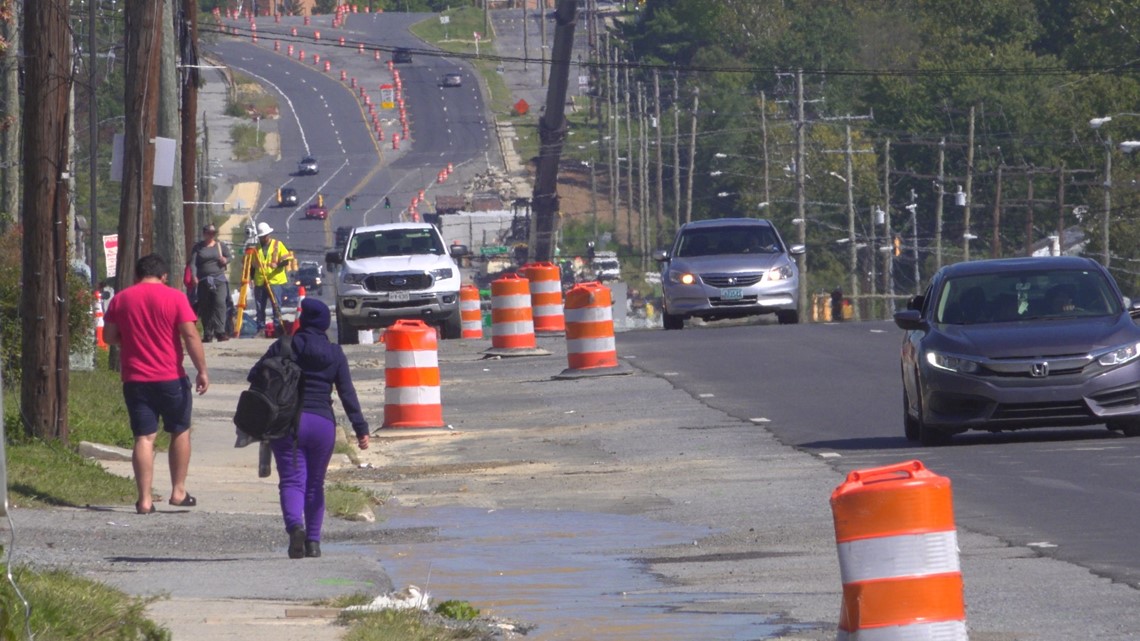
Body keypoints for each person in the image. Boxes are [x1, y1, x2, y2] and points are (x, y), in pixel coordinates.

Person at [250, 298, 370, 558]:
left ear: (302, 320)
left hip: (287, 423)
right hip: (322, 424)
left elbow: (255, 376)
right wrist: (361, 429)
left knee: (293, 481)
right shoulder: (335, 353)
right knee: (315, 484)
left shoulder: (283, 345)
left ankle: (295, 527)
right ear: (326, 325)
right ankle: (313, 543)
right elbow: (347, 394)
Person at [103, 254, 209, 515]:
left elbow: (109, 336)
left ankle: (145, 500)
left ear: (136, 276)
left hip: (135, 378)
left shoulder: (121, 299)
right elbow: (190, 334)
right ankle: (178, 491)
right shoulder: (175, 297)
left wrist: (133, 338)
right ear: (164, 276)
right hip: (170, 376)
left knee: (144, 437)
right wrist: (202, 371)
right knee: (180, 430)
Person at [189, 223, 233, 342]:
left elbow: (229, 257)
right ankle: (208, 333)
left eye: (213, 233)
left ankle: (220, 331)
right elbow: (193, 264)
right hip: (203, 281)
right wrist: (194, 276)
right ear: (204, 234)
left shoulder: (220, 245)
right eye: (209, 233)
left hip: (219, 279)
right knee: (205, 306)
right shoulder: (198, 248)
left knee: (220, 304)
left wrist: (225, 260)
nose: (211, 235)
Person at [253, 222, 295, 335]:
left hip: (275, 281)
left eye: (264, 236)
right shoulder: (256, 248)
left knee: (276, 306)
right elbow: (253, 266)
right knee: (259, 307)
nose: (263, 238)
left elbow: (287, 260)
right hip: (260, 281)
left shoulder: (277, 244)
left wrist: (278, 264)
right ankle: (261, 329)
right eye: (261, 236)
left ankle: (278, 329)